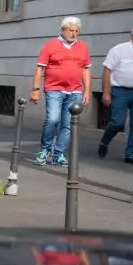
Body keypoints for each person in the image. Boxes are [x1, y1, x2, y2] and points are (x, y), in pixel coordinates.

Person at [30, 16, 91, 167]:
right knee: (52, 120)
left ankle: (58, 154)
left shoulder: (82, 47)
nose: (74, 33)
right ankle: (44, 150)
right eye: (71, 30)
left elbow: (85, 70)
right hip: (54, 89)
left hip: (75, 91)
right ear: (63, 29)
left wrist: (87, 91)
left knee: (67, 125)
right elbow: (39, 69)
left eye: (77, 31)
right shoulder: (51, 45)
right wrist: (35, 90)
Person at [99, 26, 133, 164]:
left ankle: (130, 154)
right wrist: (106, 92)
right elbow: (107, 71)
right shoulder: (118, 50)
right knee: (117, 122)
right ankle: (105, 141)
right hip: (120, 91)